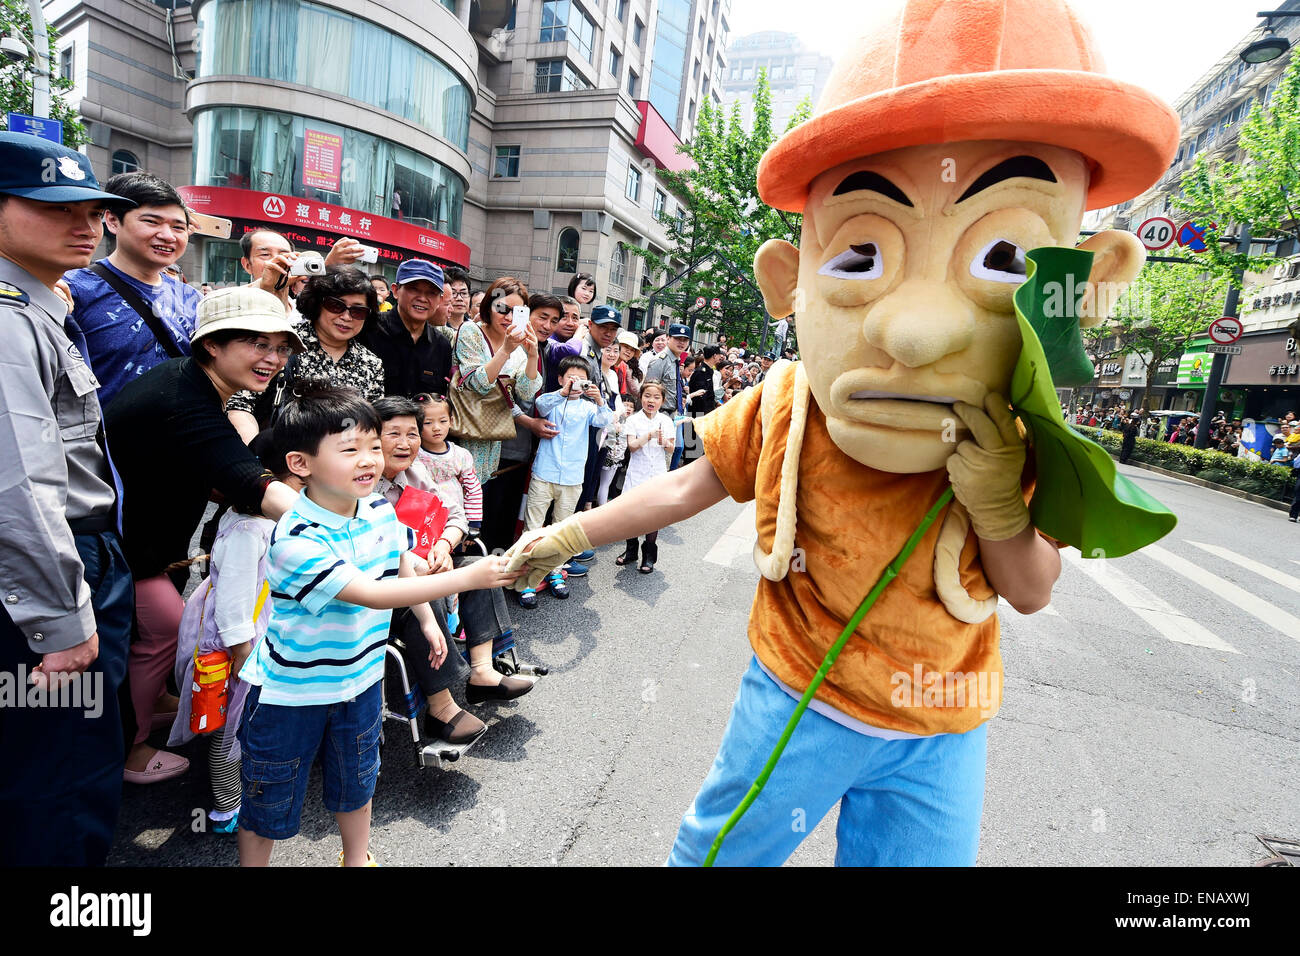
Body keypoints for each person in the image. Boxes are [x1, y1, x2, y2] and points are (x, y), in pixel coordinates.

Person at [235, 387, 522, 866]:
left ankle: (357, 858)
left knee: (358, 779)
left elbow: (401, 564)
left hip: (361, 681)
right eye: (349, 450)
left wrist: (431, 623)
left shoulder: (377, 510)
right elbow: (370, 592)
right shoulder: (295, 536)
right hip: (292, 694)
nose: (368, 459)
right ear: (300, 464)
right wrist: (467, 575)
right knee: (269, 799)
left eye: (372, 445)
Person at [0, 132, 137, 866]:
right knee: (63, 766)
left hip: (60, 560)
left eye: (93, 208)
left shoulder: (36, 305)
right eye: (56, 207)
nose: (85, 224)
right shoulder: (7, 320)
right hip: (53, 567)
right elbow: (17, 485)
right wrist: (60, 616)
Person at [105, 286, 305, 783]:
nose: (273, 359)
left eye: (281, 347)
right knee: (164, 632)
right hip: (127, 547)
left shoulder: (191, 384)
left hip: (151, 544)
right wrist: (339, 526)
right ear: (213, 343)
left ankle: (149, 705)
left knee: (155, 636)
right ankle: (130, 750)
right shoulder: (184, 399)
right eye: (258, 344)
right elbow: (248, 480)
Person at [167, 431, 300, 835]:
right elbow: (234, 602)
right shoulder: (248, 531)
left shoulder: (257, 520)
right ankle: (228, 807)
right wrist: (243, 654)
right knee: (231, 728)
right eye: (298, 484)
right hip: (236, 645)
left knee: (247, 723)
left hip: (256, 633)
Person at [63, 171, 202, 407]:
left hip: (182, 437)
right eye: (151, 222)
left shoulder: (191, 297)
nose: (167, 236)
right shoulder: (73, 290)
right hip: (106, 440)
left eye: (178, 227)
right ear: (113, 221)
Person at [227, 267, 385, 442]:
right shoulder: (284, 342)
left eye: (358, 311)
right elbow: (239, 405)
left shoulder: (370, 362)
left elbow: (371, 422)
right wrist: (258, 455)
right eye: (336, 305)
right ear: (317, 304)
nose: (347, 317)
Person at [518, 357, 614, 607]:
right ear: (560, 379)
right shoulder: (553, 401)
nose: (576, 383)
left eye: (581, 379)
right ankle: (526, 578)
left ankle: (554, 571)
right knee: (534, 527)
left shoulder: (588, 407)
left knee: (561, 529)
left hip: (572, 478)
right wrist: (563, 391)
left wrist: (599, 398)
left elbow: (606, 421)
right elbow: (540, 403)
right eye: (571, 377)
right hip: (544, 473)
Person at [454, 276, 543, 486]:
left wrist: (532, 356)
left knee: (479, 495)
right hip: (465, 429)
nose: (508, 317)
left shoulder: (519, 345)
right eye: (502, 308)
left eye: (517, 311)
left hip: (492, 434)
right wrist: (505, 350)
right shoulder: (471, 331)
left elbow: (526, 391)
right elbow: (477, 383)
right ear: (488, 306)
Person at [362, 258, 453, 399]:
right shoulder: (368, 328)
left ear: (440, 300)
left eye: (431, 293)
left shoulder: (442, 346)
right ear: (396, 291)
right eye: (413, 289)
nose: (422, 298)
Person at [612, 382, 674, 573]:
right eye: (647, 396)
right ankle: (631, 551)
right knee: (632, 513)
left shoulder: (666, 420)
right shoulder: (633, 420)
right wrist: (649, 435)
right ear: (641, 397)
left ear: (662, 401)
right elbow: (632, 446)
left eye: (656, 397)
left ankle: (649, 557)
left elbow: (671, 447)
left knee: (653, 515)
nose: (651, 401)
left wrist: (664, 441)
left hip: (657, 474)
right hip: (637, 473)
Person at [416, 393, 483, 532]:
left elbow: (473, 488)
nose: (436, 427)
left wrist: (473, 522)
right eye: (428, 423)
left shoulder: (461, 455)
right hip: (423, 518)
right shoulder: (414, 454)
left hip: (454, 518)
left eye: (443, 421)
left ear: (451, 421)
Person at [644, 323, 691, 469]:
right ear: (669, 338)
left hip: (672, 416)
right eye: (677, 338)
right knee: (655, 463)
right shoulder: (660, 361)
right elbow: (648, 393)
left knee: (667, 460)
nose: (681, 342)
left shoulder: (675, 361)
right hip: (659, 417)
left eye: (685, 339)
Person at [444, 267, 472, 333]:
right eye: (453, 293)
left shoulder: (475, 329)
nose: (459, 298)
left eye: (464, 293)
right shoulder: (436, 328)